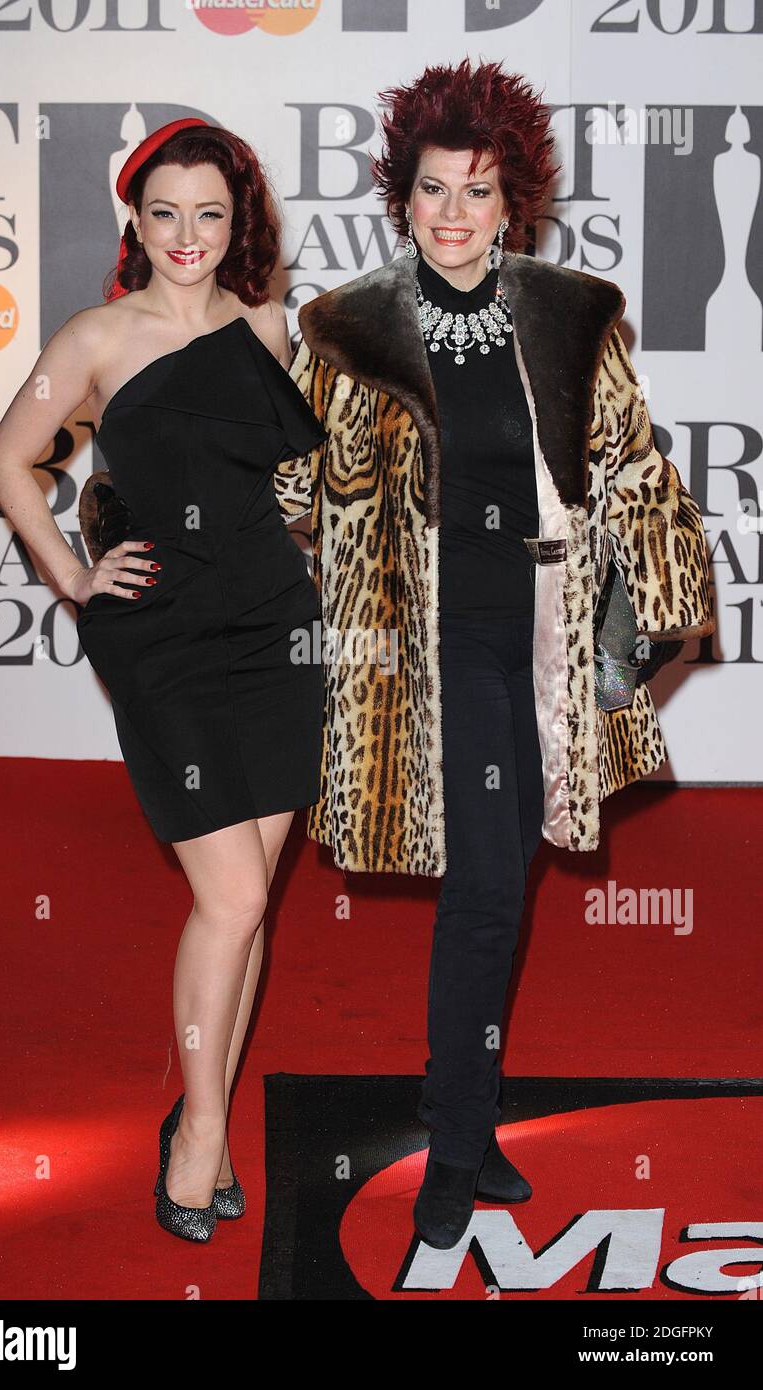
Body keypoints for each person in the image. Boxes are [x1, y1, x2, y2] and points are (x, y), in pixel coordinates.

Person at [275, 58, 715, 1248]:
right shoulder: (352, 327)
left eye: (477, 190)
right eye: (432, 191)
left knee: (503, 891)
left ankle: (460, 1110)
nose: (455, 214)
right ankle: (456, 1147)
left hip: (553, 644)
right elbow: (306, 485)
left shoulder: (570, 312)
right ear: (400, 197)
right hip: (433, 657)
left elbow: (628, 462)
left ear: (513, 197)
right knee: (480, 893)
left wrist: (665, 600)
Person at [0, 118, 328, 1244]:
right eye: (165, 211)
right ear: (135, 216)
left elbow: (299, 483)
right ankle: (201, 1138)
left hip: (276, 627)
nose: (187, 235)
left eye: (210, 214)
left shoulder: (269, 326)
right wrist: (76, 579)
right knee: (228, 899)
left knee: (243, 907)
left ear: (240, 225)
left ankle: (202, 1110)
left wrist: (309, 533)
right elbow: (6, 458)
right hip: (163, 636)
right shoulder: (96, 335)